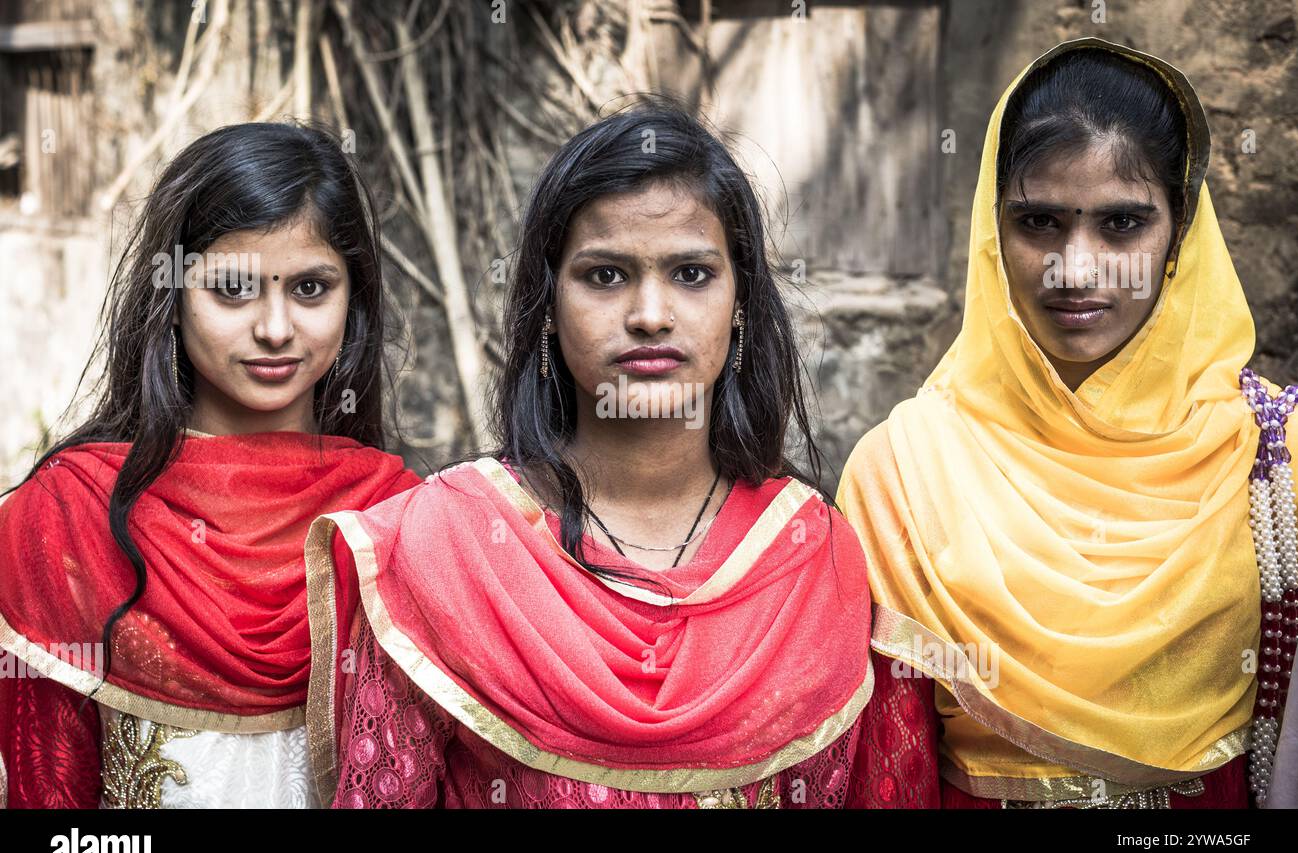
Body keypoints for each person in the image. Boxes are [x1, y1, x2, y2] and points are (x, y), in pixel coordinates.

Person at [303, 100, 880, 809]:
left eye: (692, 274)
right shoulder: (446, 546)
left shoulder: (812, 557)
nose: (649, 314)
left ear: (741, 304)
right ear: (546, 304)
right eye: (605, 275)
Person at [837, 37, 1298, 808]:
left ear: (1178, 232)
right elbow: (891, 774)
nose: (1076, 269)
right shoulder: (903, 473)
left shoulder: (1273, 459)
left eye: (1122, 226)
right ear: (995, 231)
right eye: (1040, 222)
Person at [0, 122, 422, 808]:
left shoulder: (395, 522)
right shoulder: (68, 516)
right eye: (232, 288)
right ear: (170, 297)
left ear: (356, 300)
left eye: (312, 288)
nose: (276, 328)